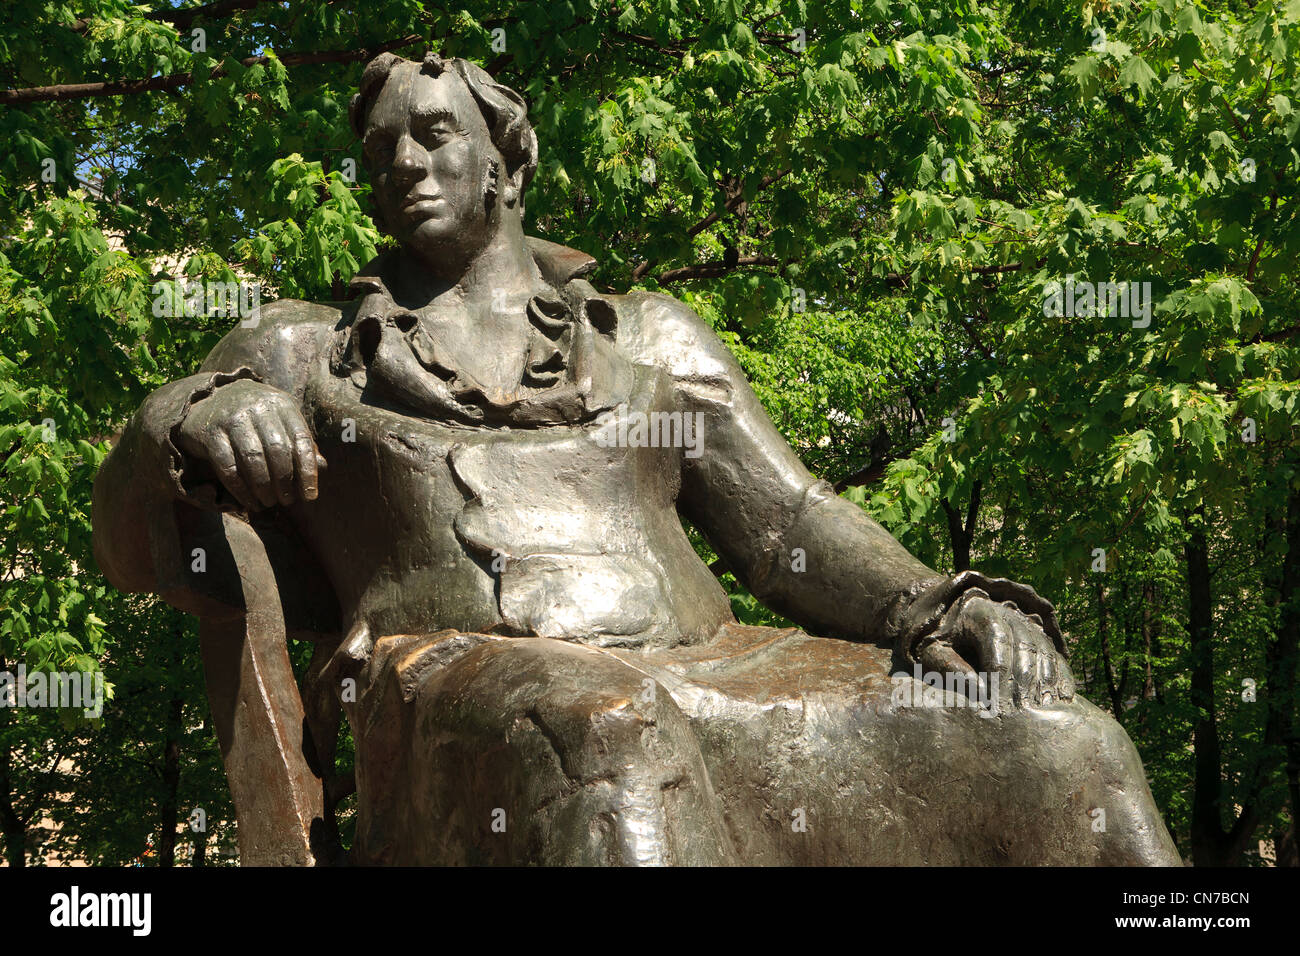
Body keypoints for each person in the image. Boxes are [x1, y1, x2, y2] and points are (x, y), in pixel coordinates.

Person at [93, 52, 1181, 865]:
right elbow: (129, 543)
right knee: (604, 730)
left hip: (716, 665)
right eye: (380, 149)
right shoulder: (297, 348)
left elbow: (789, 525)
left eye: (431, 134)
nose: (400, 161)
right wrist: (183, 421)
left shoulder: (647, 338)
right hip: (449, 684)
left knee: (1047, 733)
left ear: (508, 163)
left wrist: (936, 606)